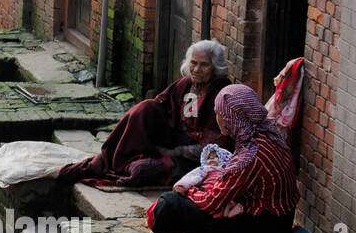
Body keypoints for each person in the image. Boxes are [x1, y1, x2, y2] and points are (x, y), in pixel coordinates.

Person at [57, 40, 234, 190]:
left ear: (215, 68)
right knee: (145, 108)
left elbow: (214, 149)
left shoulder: (220, 96)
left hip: (196, 159)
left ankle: (120, 162)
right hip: (174, 142)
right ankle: (111, 158)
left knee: (140, 170)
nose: (196, 69)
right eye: (193, 63)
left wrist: (175, 152)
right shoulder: (188, 85)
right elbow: (167, 109)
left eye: (204, 65)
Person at [149, 84, 298, 233]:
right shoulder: (267, 134)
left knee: (169, 204)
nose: (217, 116)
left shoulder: (249, 156)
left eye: (219, 113)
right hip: (279, 222)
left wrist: (187, 190)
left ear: (231, 118)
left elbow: (211, 203)